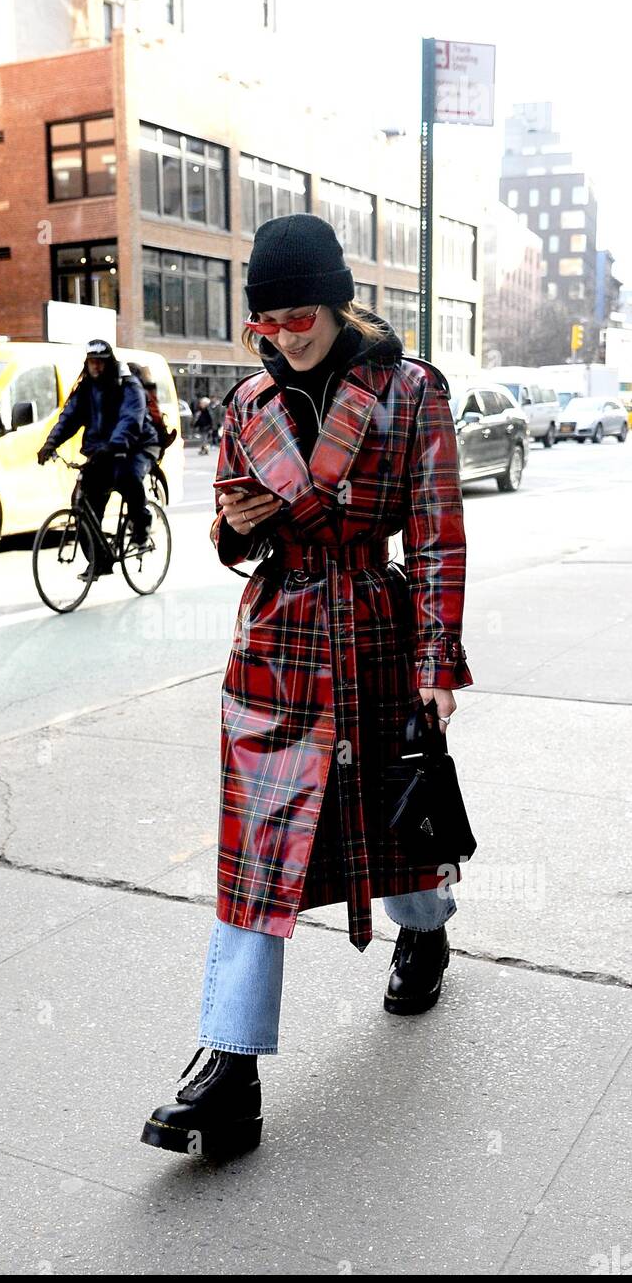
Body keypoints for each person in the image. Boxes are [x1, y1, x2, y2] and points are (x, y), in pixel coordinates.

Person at [140, 213, 473, 1159]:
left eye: (296, 319)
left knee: (391, 818)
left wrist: (436, 661)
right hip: (276, 643)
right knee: (257, 856)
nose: (280, 338)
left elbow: (438, 537)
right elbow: (225, 540)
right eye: (264, 325)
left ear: (336, 305)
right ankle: (228, 1072)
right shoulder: (246, 404)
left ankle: (426, 927)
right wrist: (238, 529)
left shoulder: (411, 393)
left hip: (374, 631)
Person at [37, 339, 152, 575]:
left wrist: (113, 445)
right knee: (83, 503)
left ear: (108, 363)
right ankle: (99, 560)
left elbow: (131, 419)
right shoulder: (86, 388)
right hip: (101, 452)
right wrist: (50, 443)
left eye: (100, 362)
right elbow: (69, 418)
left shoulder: (128, 385)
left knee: (127, 478)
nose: (96, 367)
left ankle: (142, 529)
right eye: (92, 362)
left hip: (136, 446)